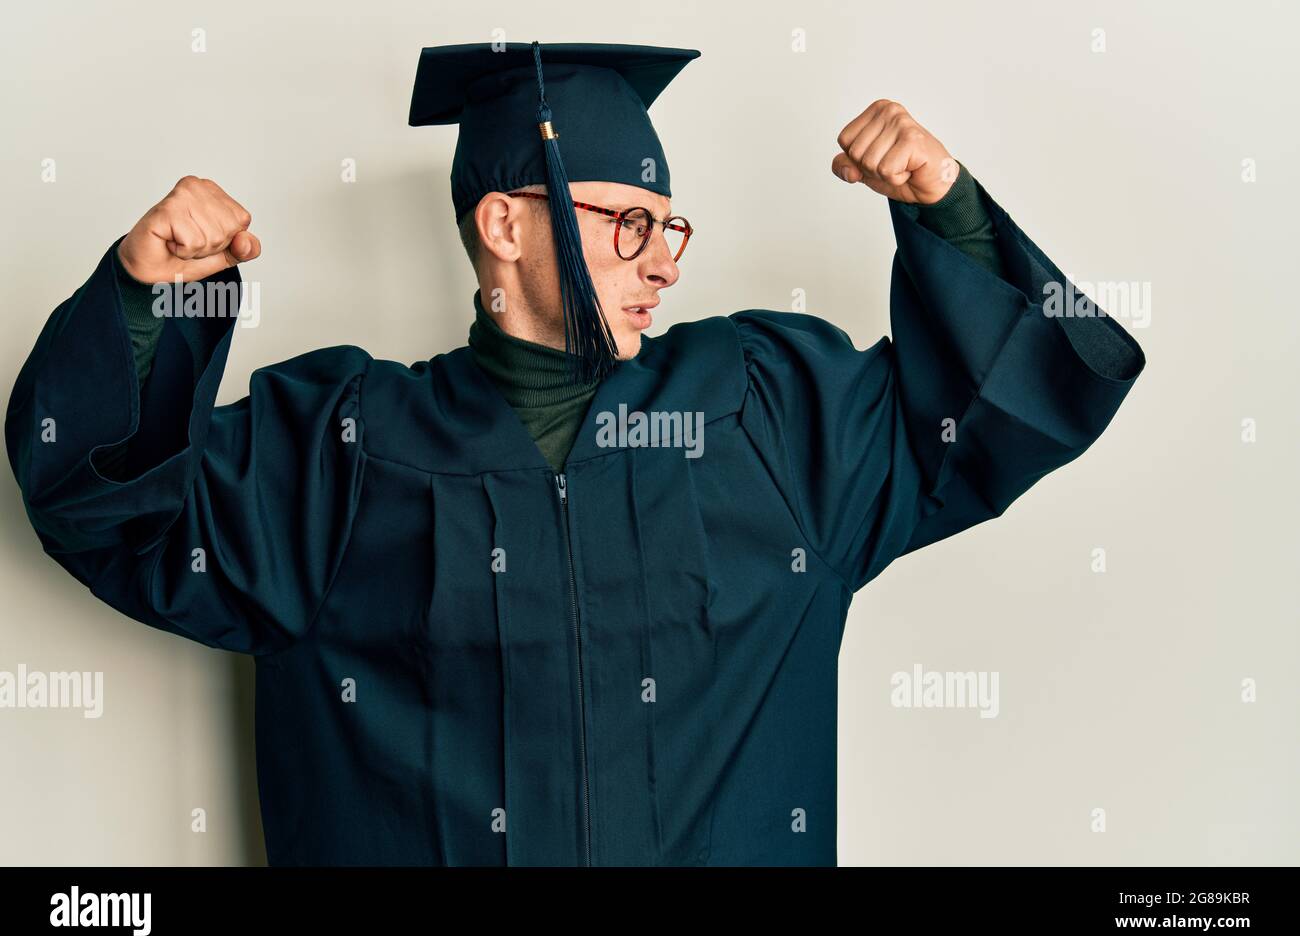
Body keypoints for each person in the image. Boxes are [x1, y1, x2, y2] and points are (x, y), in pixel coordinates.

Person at [5, 41, 1146, 866]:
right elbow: (110, 512)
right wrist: (145, 304)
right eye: (628, 224)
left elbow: (1009, 411)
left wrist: (947, 211)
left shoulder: (770, 414)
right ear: (506, 224)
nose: (664, 263)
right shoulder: (339, 450)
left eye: (672, 229)